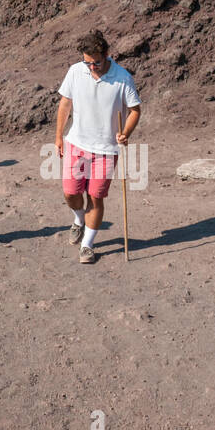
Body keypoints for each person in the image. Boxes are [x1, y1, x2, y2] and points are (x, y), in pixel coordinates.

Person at [55, 29, 141, 265]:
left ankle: (87, 245)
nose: (92, 67)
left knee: (95, 197)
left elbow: (135, 110)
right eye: (87, 62)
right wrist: (59, 136)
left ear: (107, 55)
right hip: (77, 143)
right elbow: (65, 103)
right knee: (71, 193)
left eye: (96, 62)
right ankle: (78, 220)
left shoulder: (122, 78)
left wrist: (125, 133)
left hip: (106, 149)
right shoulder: (75, 71)